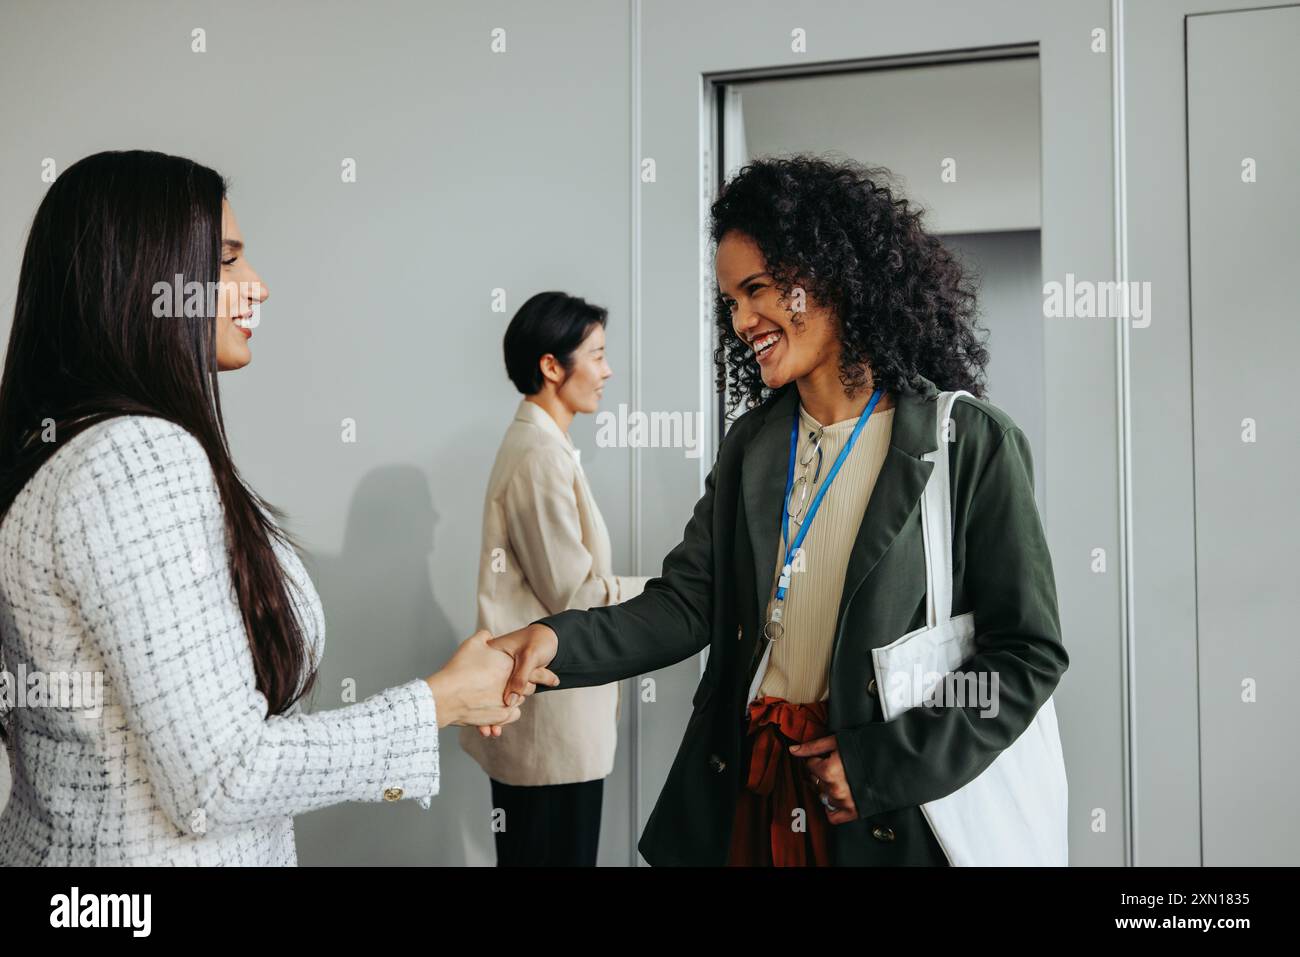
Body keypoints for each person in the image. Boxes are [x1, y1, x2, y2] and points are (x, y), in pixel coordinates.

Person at [488, 155, 1068, 866]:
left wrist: (883, 761)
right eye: (730, 300)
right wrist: (556, 641)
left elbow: (1026, 653)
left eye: (758, 290)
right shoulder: (754, 445)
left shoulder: (968, 442)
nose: (741, 321)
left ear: (832, 275)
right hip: (758, 794)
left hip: (881, 806)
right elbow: (687, 602)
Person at [0, 150, 555, 866]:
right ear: (146, 279)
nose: (256, 286)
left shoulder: (60, 451)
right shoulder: (133, 459)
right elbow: (220, 777)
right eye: (227, 261)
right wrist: (439, 701)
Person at [460, 292, 648, 866]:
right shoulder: (538, 454)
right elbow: (577, 598)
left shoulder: (549, 447)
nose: (607, 370)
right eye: (596, 355)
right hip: (549, 730)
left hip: (558, 724)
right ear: (551, 366)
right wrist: (671, 591)